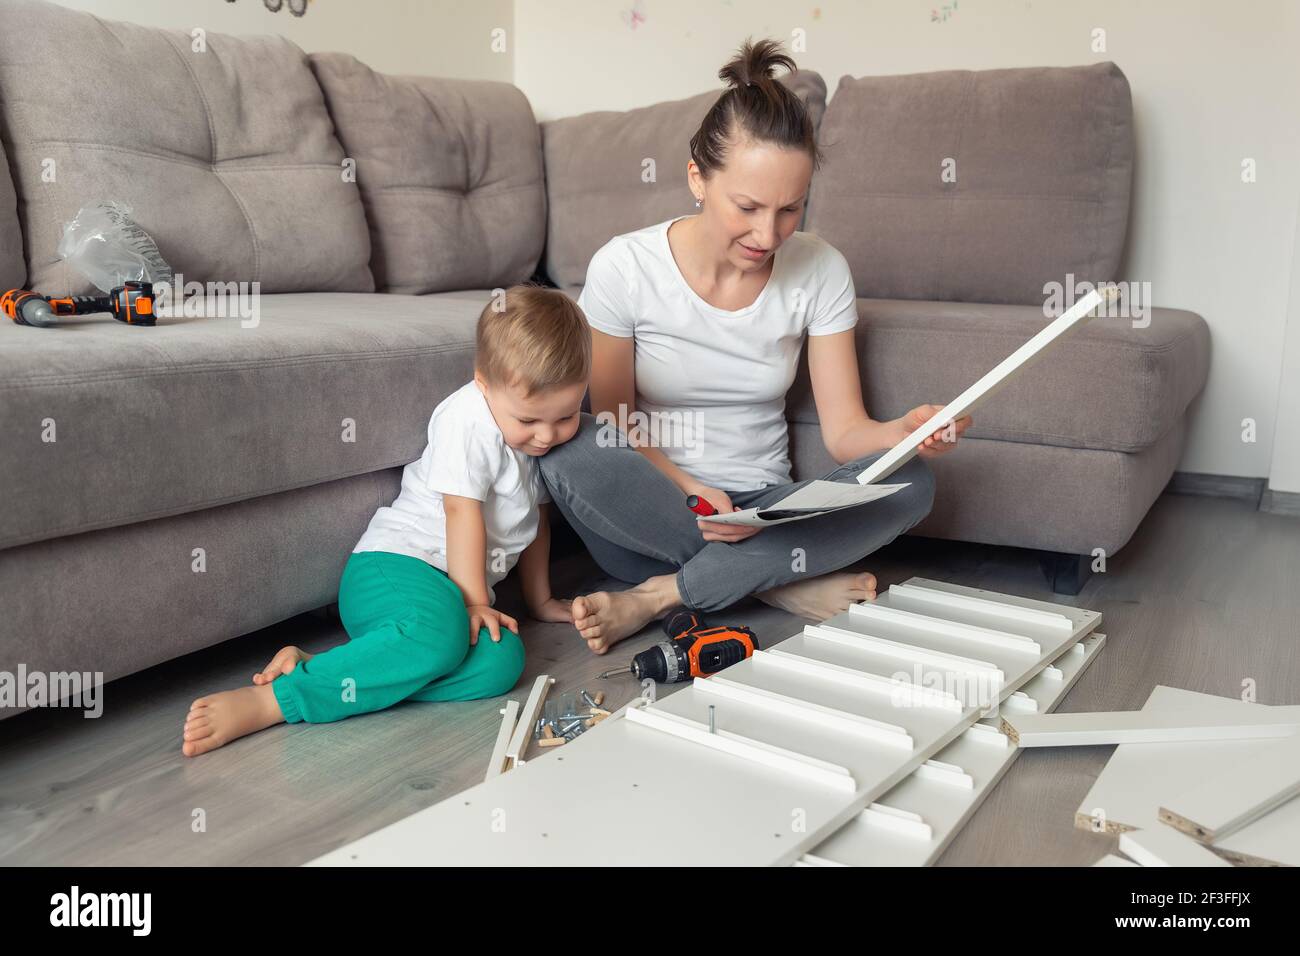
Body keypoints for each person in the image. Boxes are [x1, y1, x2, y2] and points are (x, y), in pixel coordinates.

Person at [539, 38, 970, 655]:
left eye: (790, 210)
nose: (767, 234)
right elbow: (613, 423)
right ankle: (777, 585)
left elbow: (847, 434)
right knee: (564, 449)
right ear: (697, 177)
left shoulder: (821, 269)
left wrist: (905, 429)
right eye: (747, 206)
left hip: (768, 508)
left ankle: (661, 596)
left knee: (914, 484)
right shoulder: (625, 266)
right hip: (655, 508)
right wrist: (688, 488)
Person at [181, 286, 590, 756]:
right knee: (444, 636)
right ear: (484, 382)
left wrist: (539, 600)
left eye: (564, 417)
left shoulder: (535, 440)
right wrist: (477, 602)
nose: (546, 436)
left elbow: (535, 520)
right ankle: (275, 699)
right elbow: (461, 512)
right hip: (395, 569)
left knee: (502, 662)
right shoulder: (468, 420)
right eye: (529, 420)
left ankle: (333, 667)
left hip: (447, 596)